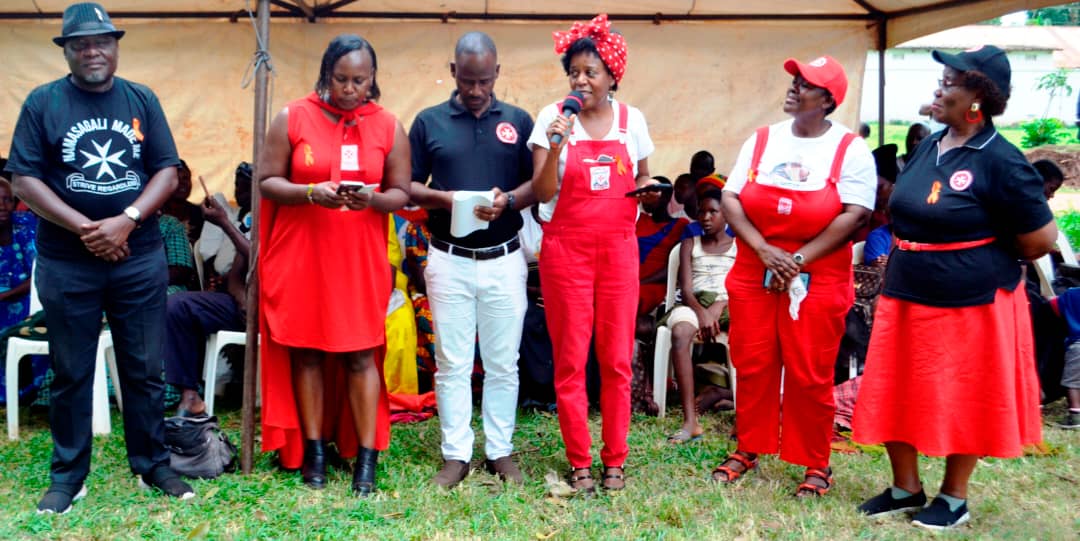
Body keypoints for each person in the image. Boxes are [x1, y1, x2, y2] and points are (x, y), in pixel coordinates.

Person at [852, 45, 1056, 531]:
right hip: (905, 291)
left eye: (949, 81)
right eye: (940, 79)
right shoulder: (931, 143)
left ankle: (954, 496)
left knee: (964, 396)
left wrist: (974, 254)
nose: (938, 88)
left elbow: (1040, 239)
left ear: (978, 98)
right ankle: (905, 487)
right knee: (895, 388)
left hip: (971, 301)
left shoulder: (1002, 161)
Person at [4, 2, 194, 513]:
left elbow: (167, 172)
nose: (92, 50)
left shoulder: (141, 98)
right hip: (68, 259)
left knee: (143, 368)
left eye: (102, 41)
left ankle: (152, 465)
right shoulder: (43, 103)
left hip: (138, 255)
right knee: (71, 370)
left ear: (115, 47)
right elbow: (24, 178)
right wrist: (86, 228)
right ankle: (68, 476)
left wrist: (126, 219)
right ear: (67, 51)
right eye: (80, 43)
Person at [715, 55, 876, 497]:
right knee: (753, 362)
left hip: (818, 274)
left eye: (806, 83)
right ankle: (749, 445)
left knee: (810, 370)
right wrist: (764, 250)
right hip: (755, 265)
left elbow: (854, 214)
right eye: (795, 78)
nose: (794, 86)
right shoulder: (763, 139)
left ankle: (815, 461)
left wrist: (797, 260)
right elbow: (731, 198)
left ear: (827, 100)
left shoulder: (849, 149)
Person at [256, 34, 410, 496]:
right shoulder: (293, 116)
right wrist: (309, 192)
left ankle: (366, 458)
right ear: (326, 75)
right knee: (306, 351)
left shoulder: (387, 125)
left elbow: (402, 192)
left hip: (358, 259)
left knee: (361, 352)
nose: (349, 88)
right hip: (301, 254)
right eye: (340, 79)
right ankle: (315, 450)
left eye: (359, 80)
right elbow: (266, 182)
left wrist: (374, 198)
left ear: (373, 79)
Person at [530, 13, 656, 492]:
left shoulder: (632, 121)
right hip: (566, 250)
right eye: (574, 72)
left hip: (621, 250)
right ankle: (580, 460)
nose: (581, 80)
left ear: (612, 76)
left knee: (617, 358)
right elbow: (542, 193)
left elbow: (643, 177)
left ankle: (615, 459)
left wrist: (648, 191)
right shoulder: (551, 119)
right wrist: (558, 148)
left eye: (591, 71)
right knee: (570, 358)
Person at [407, 32, 535, 488]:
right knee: (453, 363)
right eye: (467, 81)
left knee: (503, 363)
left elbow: (539, 185)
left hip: (504, 258)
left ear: (497, 74)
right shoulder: (429, 122)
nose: (476, 91)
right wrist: (445, 198)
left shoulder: (519, 121)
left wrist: (509, 201)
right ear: (453, 72)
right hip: (449, 259)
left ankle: (499, 451)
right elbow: (405, 185)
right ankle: (456, 454)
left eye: (484, 81)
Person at [164, 164, 252, 417]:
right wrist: (241, 297)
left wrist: (225, 224)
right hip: (246, 303)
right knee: (178, 305)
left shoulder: (283, 214)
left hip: (284, 304)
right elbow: (238, 271)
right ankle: (189, 395)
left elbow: (262, 258)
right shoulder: (247, 221)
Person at [664, 188, 736, 444]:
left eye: (713, 212)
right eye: (701, 212)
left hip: (730, 303)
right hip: (695, 304)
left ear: (726, 215)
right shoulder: (689, 244)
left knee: (752, 332)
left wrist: (719, 306)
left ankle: (745, 412)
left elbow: (742, 285)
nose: (706, 217)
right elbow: (685, 289)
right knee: (681, 332)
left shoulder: (738, 247)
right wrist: (703, 312)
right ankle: (690, 422)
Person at [637, 176, 690, 316]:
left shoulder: (680, 225)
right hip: (629, 280)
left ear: (666, 196)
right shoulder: (639, 220)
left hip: (652, 284)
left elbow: (674, 267)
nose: (648, 196)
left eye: (653, 192)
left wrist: (640, 282)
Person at [161, 160, 204, 244]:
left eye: (186, 178)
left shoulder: (199, 214)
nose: (182, 183)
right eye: (177, 178)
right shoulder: (156, 214)